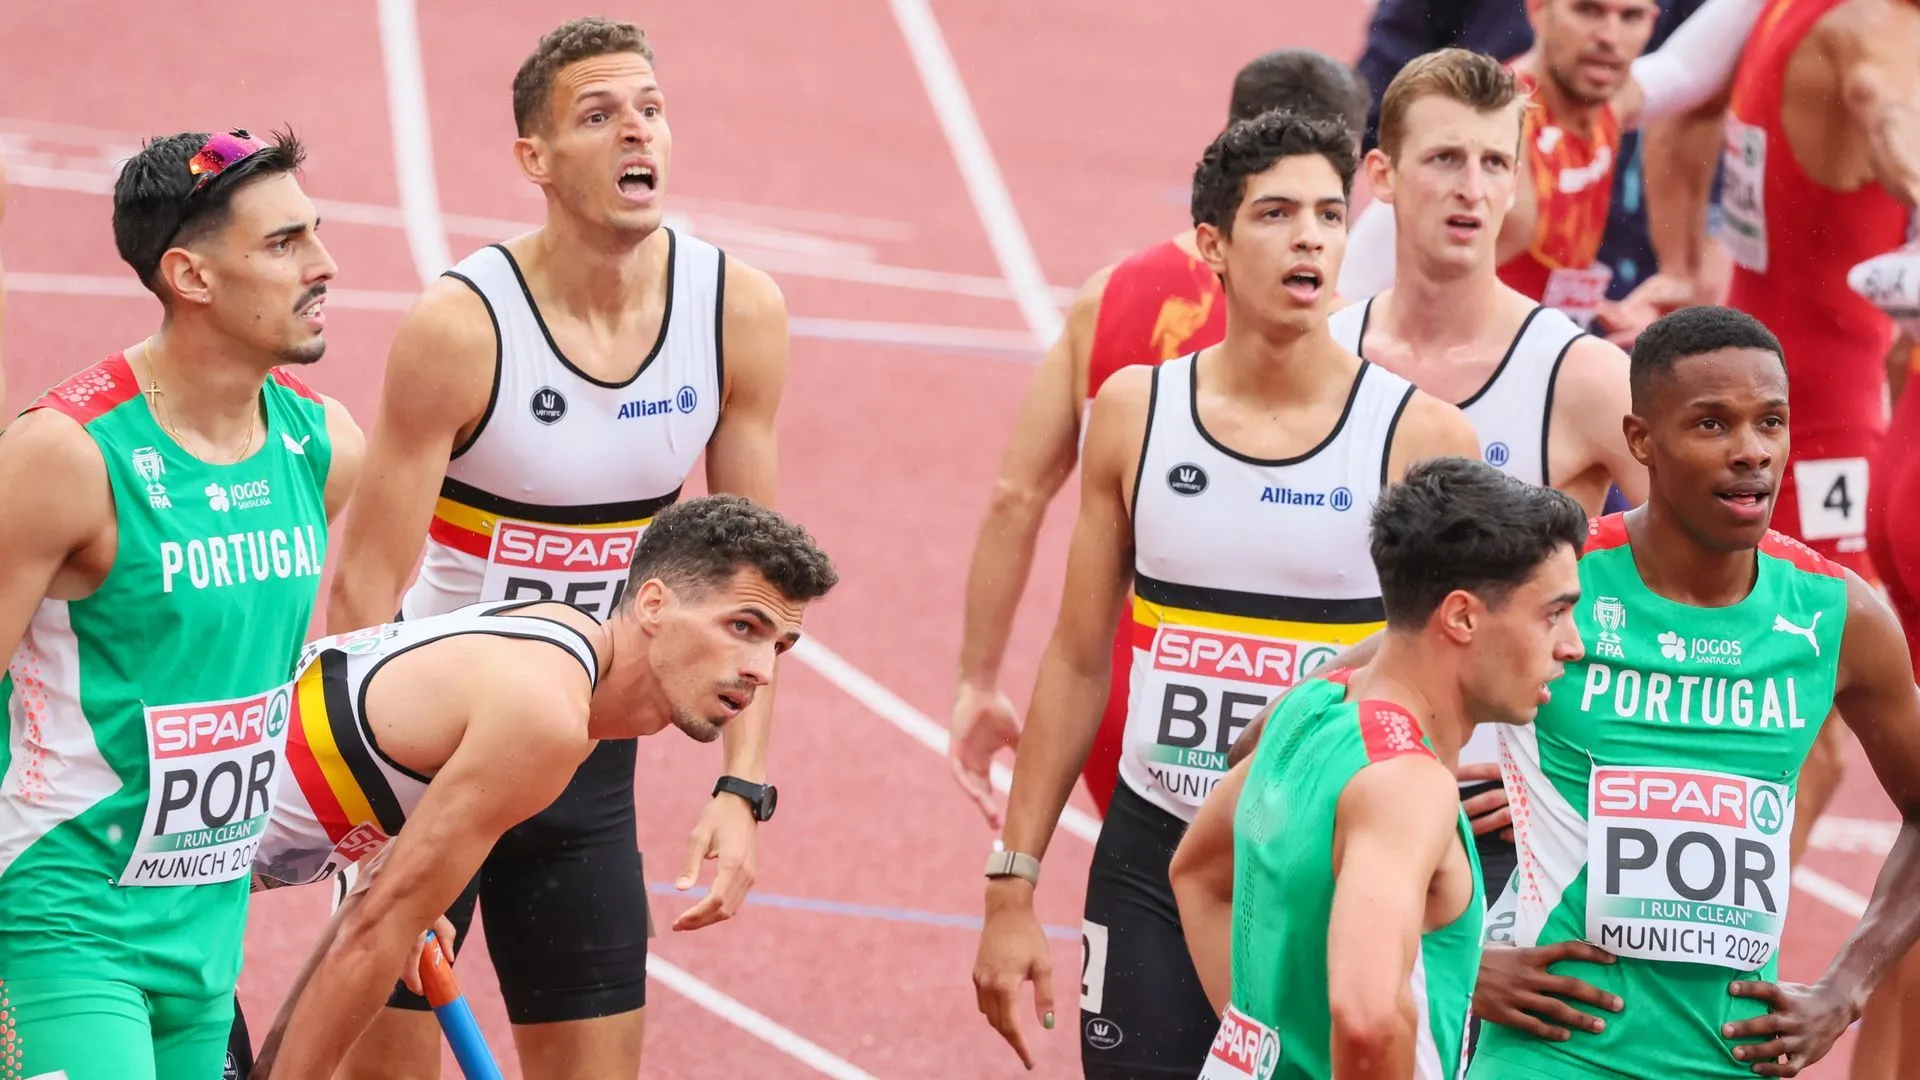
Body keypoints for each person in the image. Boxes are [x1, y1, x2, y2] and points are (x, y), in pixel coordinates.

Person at [970, 107, 1482, 1077]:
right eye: (1277, 214)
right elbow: (1079, 655)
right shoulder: (1135, 412)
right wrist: (1013, 878)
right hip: (1155, 848)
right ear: (1211, 243)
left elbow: (1457, 660)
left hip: (1322, 866)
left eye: (1331, 216)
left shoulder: (1420, 436)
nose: (1310, 240)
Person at [323, 16, 791, 1076]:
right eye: (600, 115)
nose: (639, 134)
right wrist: (365, 833)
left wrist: (743, 787)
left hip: (584, 769)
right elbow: (363, 582)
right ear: (534, 158)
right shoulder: (462, 327)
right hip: (423, 766)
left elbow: (756, 590)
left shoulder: (734, 314)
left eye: (652, 110)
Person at [1456, 305, 1920, 1079]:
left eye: (1770, 422)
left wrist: (1845, 990)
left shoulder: (1839, 615)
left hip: (1732, 1062)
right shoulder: (1550, 578)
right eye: (1711, 426)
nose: (1751, 453)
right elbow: (1314, 728)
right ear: (1641, 441)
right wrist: (1455, 960)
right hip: (1553, 1059)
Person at [0, 128, 363, 1080]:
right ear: (190, 277)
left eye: (313, 234)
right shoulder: (65, 459)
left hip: (205, 942)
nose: (324, 266)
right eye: (284, 244)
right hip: (61, 919)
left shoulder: (321, 448)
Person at [246, 495, 838, 1077]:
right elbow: (373, 932)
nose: (762, 668)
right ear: (654, 604)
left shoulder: (566, 656)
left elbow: (374, 906)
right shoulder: (548, 715)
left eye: (778, 646)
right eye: (742, 626)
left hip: (191, 882)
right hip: (163, 885)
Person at [949, 47, 1373, 829]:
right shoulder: (1357, 330)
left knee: (1142, 906)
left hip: (1131, 685)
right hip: (1292, 697)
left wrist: (978, 679)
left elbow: (1018, 497)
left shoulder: (1110, 295)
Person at [1327, 46, 1645, 905]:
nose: (1472, 187)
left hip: (1495, 822)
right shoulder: (1323, 355)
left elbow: (1699, 589)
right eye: (1445, 159)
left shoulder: (1581, 380)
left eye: (1495, 161)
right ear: (1383, 176)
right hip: (1328, 783)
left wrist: (1588, 770)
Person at [1168, 455, 1589, 1080]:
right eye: (1552, 614)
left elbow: (1196, 872)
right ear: (1462, 617)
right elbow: (1365, 1017)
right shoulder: (1407, 784)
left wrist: (1268, 1052)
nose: (1572, 644)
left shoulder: (1313, 705)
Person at [1338, 0, 1767, 335]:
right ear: (1538, 10)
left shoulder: (1608, 102)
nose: (1609, 37)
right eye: (1588, 10)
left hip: (1538, 377)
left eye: (1630, 16)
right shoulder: (1487, 141)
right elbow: (1349, 294)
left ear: (1651, 21)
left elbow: (1685, 71)